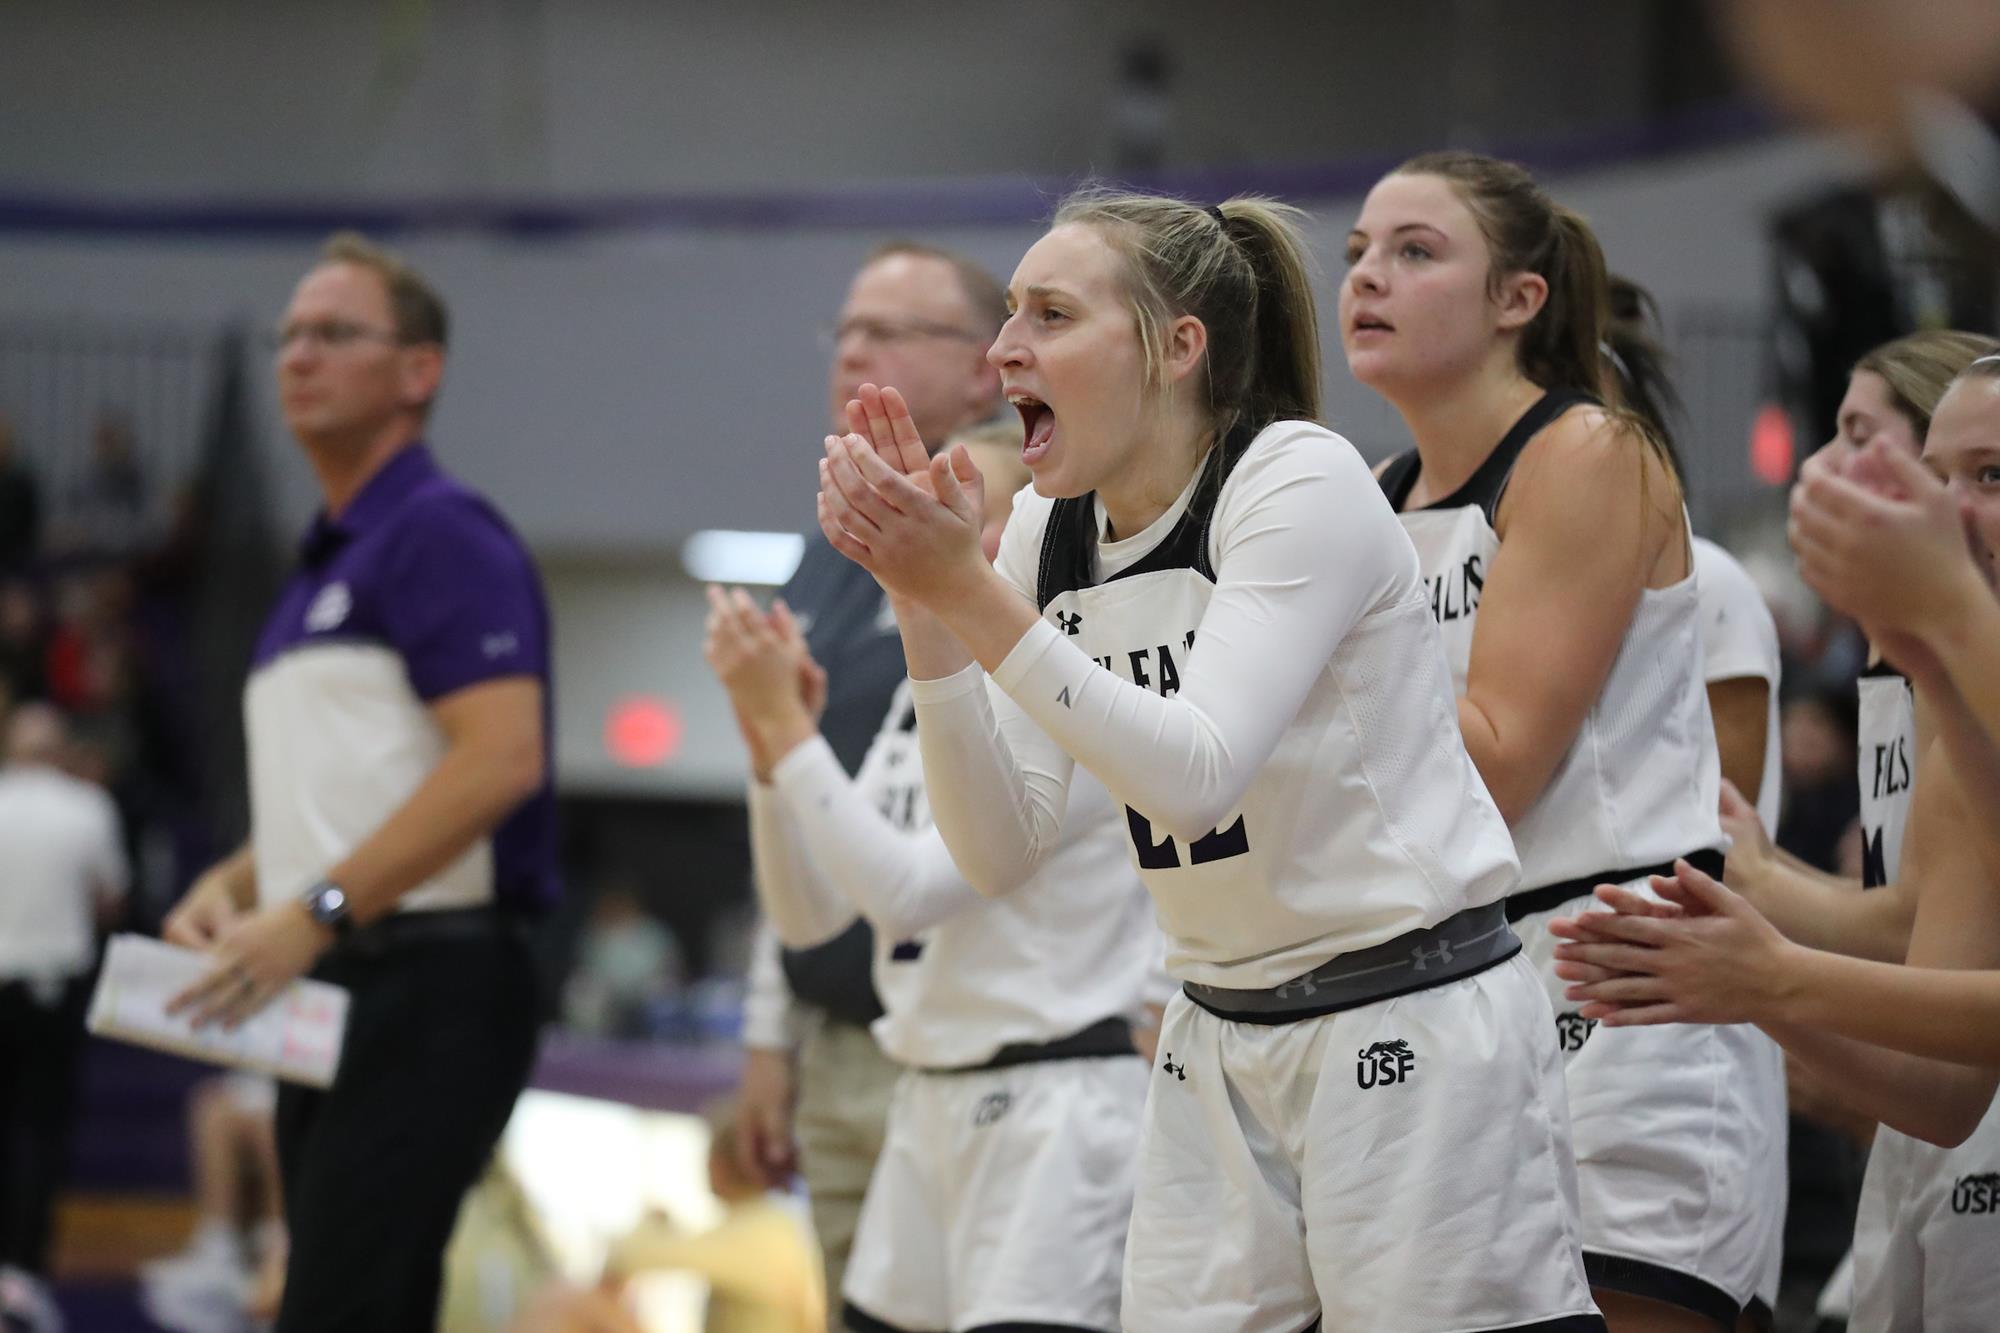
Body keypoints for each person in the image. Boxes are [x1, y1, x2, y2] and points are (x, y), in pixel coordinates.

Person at [818, 189, 1598, 1332]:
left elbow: (1195, 773)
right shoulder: (1048, 524)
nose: (1002, 347)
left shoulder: (1293, 477)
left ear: (1176, 347)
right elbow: (995, 849)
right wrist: (926, 615)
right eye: (1010, 313)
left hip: (1405, 1012)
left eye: (1049, 313)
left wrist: (967, 594)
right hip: (1214, 1026)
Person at [1351, 153, 1784, 1331]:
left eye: (1412, 250)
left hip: (1621, 973)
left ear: (1517, 300)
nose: (1365, 277)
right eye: (1356, 253)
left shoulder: (1588, 451)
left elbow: (1495, 758)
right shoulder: (1374, 496)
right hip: (1467, 984)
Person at [160, 231, 556, 1332]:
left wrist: (315, 906)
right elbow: (365, 782)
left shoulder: (440, 533)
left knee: (341, 1302)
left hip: (427, 975)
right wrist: (243, 881)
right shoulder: (320, 566)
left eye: (333, 333)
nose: (297, 355)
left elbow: (500, 758)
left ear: (417, 370)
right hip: (337, 969)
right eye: (288, 335)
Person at [1554, 353, 2000, 1331]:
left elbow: (1900, 941)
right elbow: (1944, 1090)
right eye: (1939, 474)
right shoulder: (1944, 696)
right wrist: (1746, 982)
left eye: (1990, 476)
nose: (1949, 511)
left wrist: (1777, 952)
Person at [710, 429, 1160, 1332]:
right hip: (925, 1098)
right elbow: (809, 919)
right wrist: (772, 753)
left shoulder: (1075, 687)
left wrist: (790, 740)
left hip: (1053, 1107)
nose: (920, 525)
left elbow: (911, 889)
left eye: (957, 506)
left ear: (1026, 533)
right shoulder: (916, 698)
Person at [736, 239, 1007, 1327]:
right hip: (841, 1025)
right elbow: (808, 785)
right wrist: (770, 1031)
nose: (853, 349)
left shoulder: (1017, 525)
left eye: (890, 330)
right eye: (843, 329)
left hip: (981, 1029)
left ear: (988, 366)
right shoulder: (827, 545)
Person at [0, 703, 127, 1332]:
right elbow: (111, 899)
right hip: (52, 984)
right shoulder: (87, 806)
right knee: (42, 1130)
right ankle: (24, 1271)